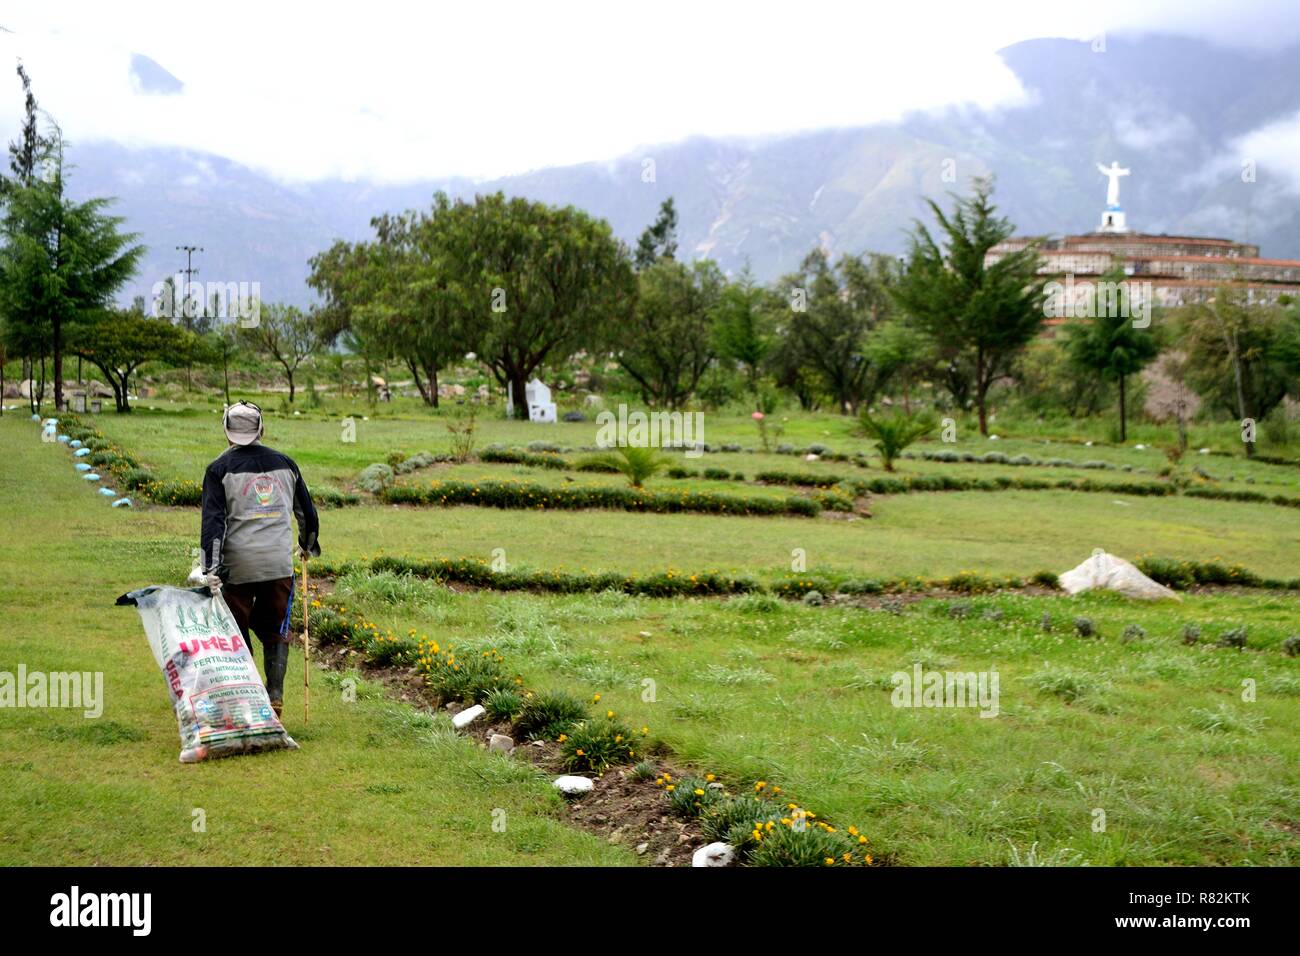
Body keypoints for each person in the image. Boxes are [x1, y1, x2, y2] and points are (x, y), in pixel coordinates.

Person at [199, 401, 320, 718]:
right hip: (278, 563)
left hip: (237, 566)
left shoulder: (218, 470)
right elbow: (306, 514)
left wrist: (210, 569)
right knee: (275, 629)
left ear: (227, 433)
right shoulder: (286, 464)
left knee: (236, 629)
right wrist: (306, 545)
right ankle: (275, 692)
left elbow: (213, 525)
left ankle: (246, 697)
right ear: (261, 429)